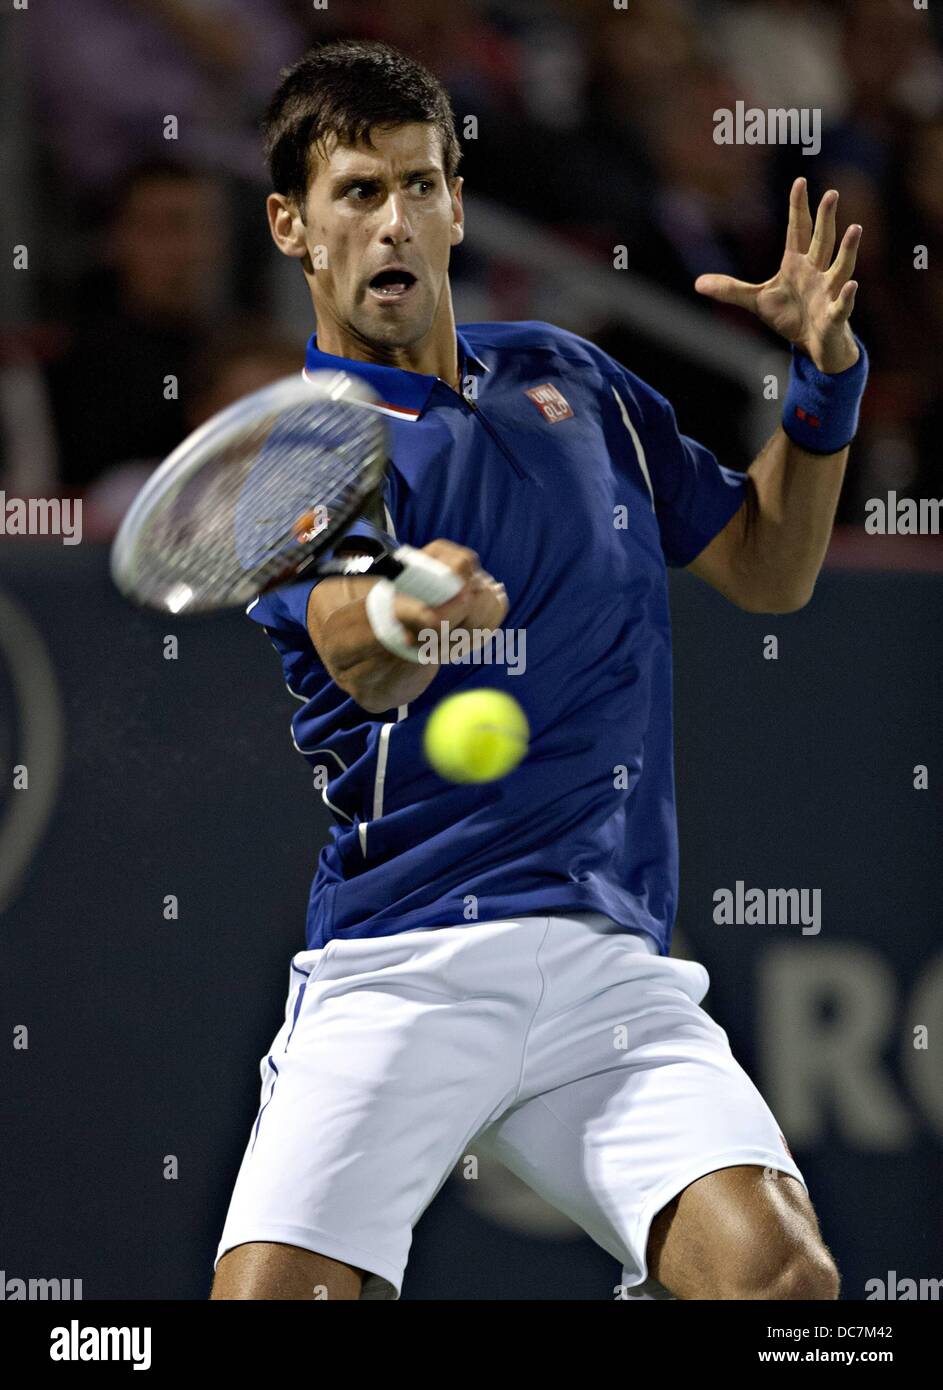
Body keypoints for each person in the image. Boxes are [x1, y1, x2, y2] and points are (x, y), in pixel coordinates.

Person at [211, 39, 868, 1301]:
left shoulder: (574, 379)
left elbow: (765, 567)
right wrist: (413, 616)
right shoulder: (296, 451)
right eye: (357, 192)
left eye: (419, 184)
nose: (393, 220)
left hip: (607, 967)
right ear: (293, 224)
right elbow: (358, 655)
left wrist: (821, 389)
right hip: (400, 965)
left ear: (458, 205)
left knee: (783, 1283)